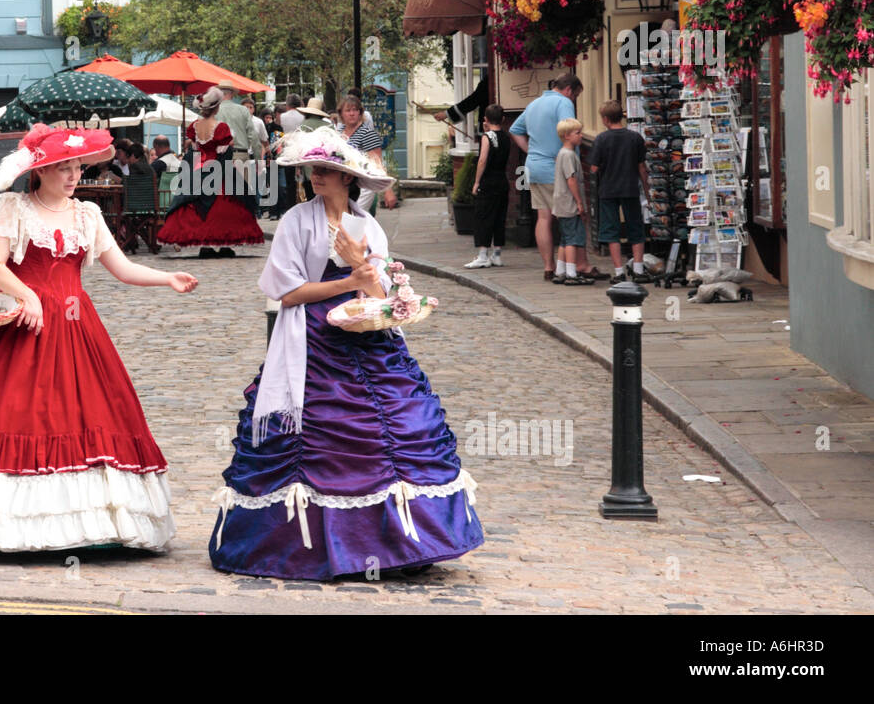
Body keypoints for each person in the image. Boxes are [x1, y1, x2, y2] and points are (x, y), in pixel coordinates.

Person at [0, 123, 199, 551]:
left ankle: (91, 524)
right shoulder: (14, 208)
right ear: (40, 171)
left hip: (78, 328)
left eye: (78, 167)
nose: (74, 175)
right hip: (28, 325)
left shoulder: (87, 214)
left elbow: (122, 268)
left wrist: (166, 277)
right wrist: (28, 295)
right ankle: (2, 521)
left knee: (91, 411)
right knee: (16, 412)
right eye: (64, 168)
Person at [208, 126, 483, 580]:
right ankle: (306, 548)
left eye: (328, 171)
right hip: (312, 340)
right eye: (314, 169)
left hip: (366, 335)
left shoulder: (367, 224)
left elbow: (380, 289)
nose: (317, 176)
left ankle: (398, 544)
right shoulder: (297, 221)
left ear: (348, 178)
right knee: (314, 435)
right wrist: (347, 281)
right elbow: (288, 292)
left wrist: (360, 263)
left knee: (395, 423)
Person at [509, 73, 598, 281]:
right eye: (575, 96)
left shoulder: (534, 104)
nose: (573, 100)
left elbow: (515, 129)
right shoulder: (563, 103)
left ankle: (549, 267)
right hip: (555, 167)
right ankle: (581, 265)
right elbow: (569, 133)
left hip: (533, 166)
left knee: (543, 217)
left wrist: (530, 150)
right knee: (571, 216)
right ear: (569, 90)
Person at [157, 87, 264, 258]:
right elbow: (225, 152)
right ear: (216, 108)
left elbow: (194, 151)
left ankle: (204, 244)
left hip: (199, 170)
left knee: (195, 204)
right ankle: (223, 244)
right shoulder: (221, 128)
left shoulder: (194, 127)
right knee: (227, 205)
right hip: (219, 170)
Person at [591, 100, 651, 284]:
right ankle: (639, 269)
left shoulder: (601, 139)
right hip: (630, 188)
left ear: (606, 119)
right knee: (636, 227)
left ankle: (618, 272)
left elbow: (593, 168)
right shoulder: (635, 138)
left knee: (611, 230)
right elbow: (642, 167)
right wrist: (647, 190)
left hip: (608, 189)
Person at [465, 105, 511, 269]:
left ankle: (483, 255)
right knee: (499, 217)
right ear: (503, 119)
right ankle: (497, 254)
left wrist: (476, 182)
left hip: (488, 182)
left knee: (483, 217)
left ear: (485, 119)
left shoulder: (487, 137)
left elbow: (483, 160)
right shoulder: (506, 137)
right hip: (502, 181)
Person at [337, 94, 398, 212]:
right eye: (348, 110)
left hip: (363, 185)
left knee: (353, 219)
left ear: (360, 113)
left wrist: (388, 191)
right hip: (344, 185)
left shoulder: (367, 133)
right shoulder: (339, 132)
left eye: (355, 110)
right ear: (341, 114)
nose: (352, 113)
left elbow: (378, 163)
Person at [552, 118, 593, 285]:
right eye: (578, 133)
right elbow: (571, 180)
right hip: (569, 203)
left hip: (561, 203)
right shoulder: (569, 155)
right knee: (573, 239)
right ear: (567, 136)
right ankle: (571, 273)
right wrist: (579, 202)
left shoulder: (562, 153)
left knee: (565, 238)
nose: (581, 135)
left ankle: (560, 270)